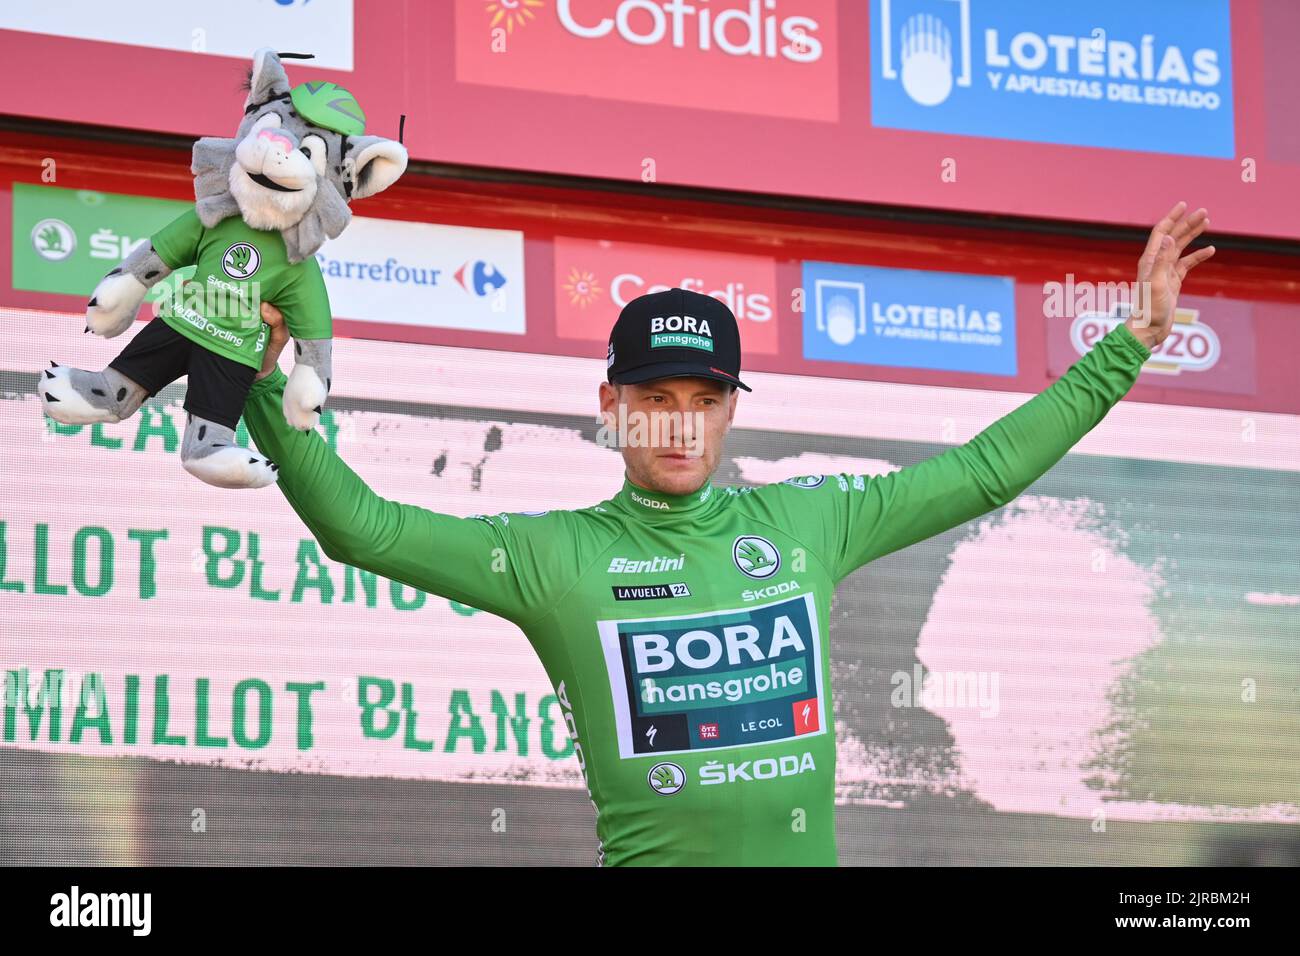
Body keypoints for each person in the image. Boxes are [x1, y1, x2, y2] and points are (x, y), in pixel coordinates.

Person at [244, 202, 1213, 866]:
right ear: (610, 406)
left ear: (729, 411)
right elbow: (359, 528)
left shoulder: (807, 521)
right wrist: (259, 387)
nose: (678, 421)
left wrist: (1126, 345)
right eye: (653, 397)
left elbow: (983, 470)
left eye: (703, 399)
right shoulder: (551, 557)